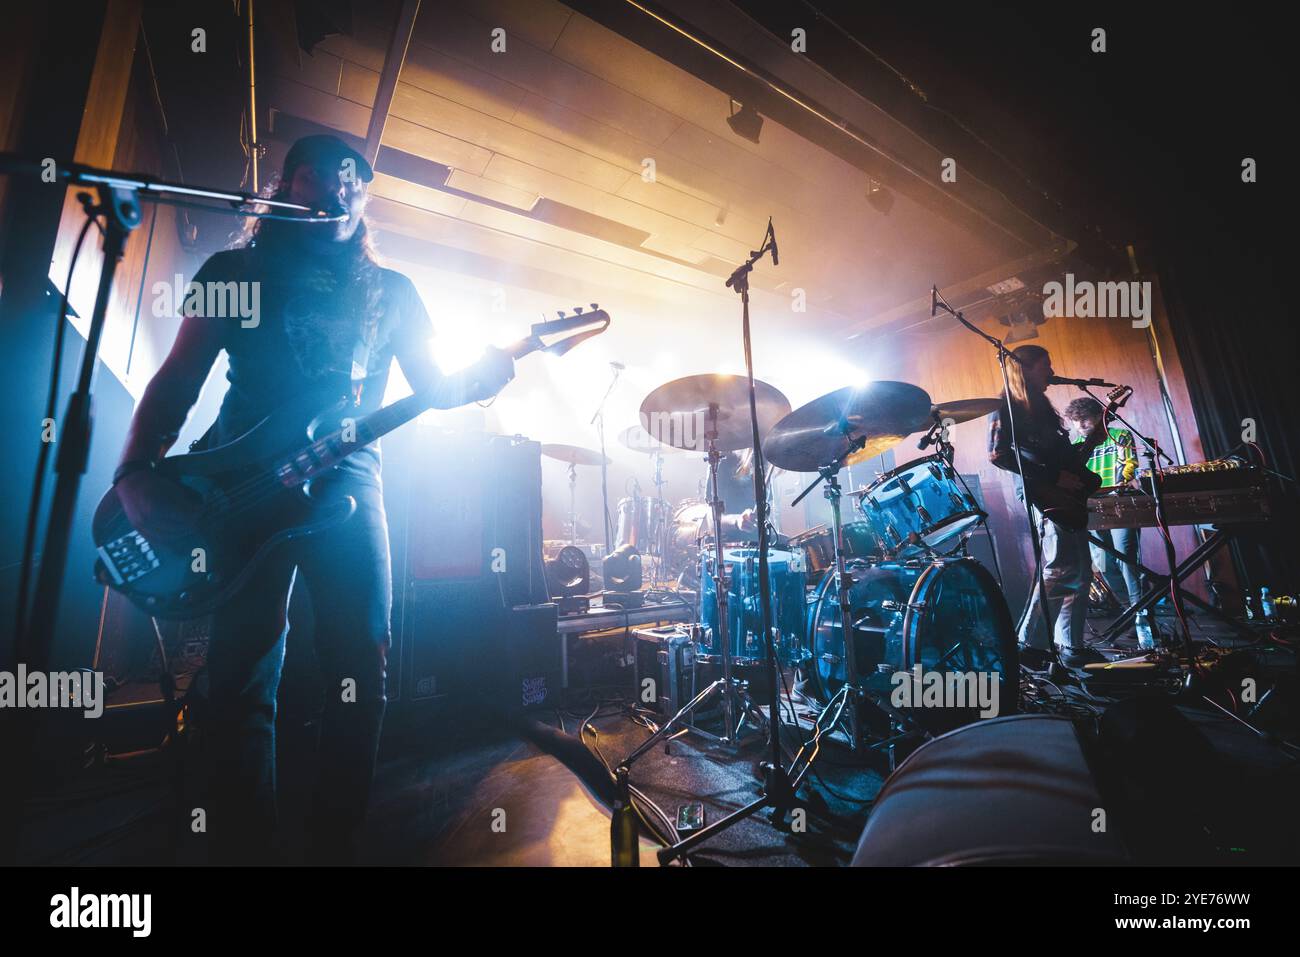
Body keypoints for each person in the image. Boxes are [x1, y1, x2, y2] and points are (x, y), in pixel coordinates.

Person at [112, 135, 515, 862]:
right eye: (316, 180)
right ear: (285, 189)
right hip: (240, 484)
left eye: (351, 182)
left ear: (364, 196)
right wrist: (134, 468)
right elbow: (177, 379)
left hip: (350, 484)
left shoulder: (392, 293)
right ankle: (246, 846)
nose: (335, 192)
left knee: (364, 657)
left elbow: (435, 385)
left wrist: (478, 380)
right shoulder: (235, 270)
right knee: (242, 670)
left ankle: (337, 840)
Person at [987, 344, 1108, 667]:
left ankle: (1070, 645)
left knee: (1080, 573)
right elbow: (998, 455)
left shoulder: (1040, 407)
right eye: (1045, 366)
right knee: (1059, 569)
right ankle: (1028, 643)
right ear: (1024, 369)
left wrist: (1091, 442)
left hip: (1063, 494)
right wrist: (1054, 478)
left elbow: (1058, 456)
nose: (1051, 372)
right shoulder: (1006, 407)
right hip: (1045, 495)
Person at [1064, 396, 1156, 649]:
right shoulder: (1076, 447)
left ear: (1098, 417)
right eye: (1075, 420)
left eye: (1085, 419)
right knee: (1103, 564)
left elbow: (1129, 465)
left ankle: (1143, 618)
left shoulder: (1119, 435)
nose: (1081, 424)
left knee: (1126, 558)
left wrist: (1119, 485)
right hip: (1091, 506)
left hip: (1118, 503)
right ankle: (1131, 611)